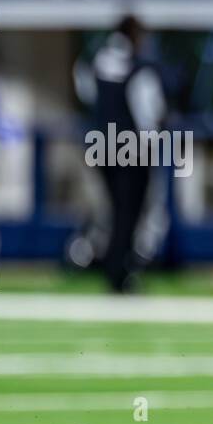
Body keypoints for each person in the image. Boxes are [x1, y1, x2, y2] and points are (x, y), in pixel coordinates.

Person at [74, 15, 166, 293]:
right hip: (130, 147)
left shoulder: (96, 62)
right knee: (129, 213)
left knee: (114, 211)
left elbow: (86, 92)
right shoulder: (139, 68)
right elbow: (148, 112)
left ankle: (114, 266)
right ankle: (119, 271)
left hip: (101, 144)